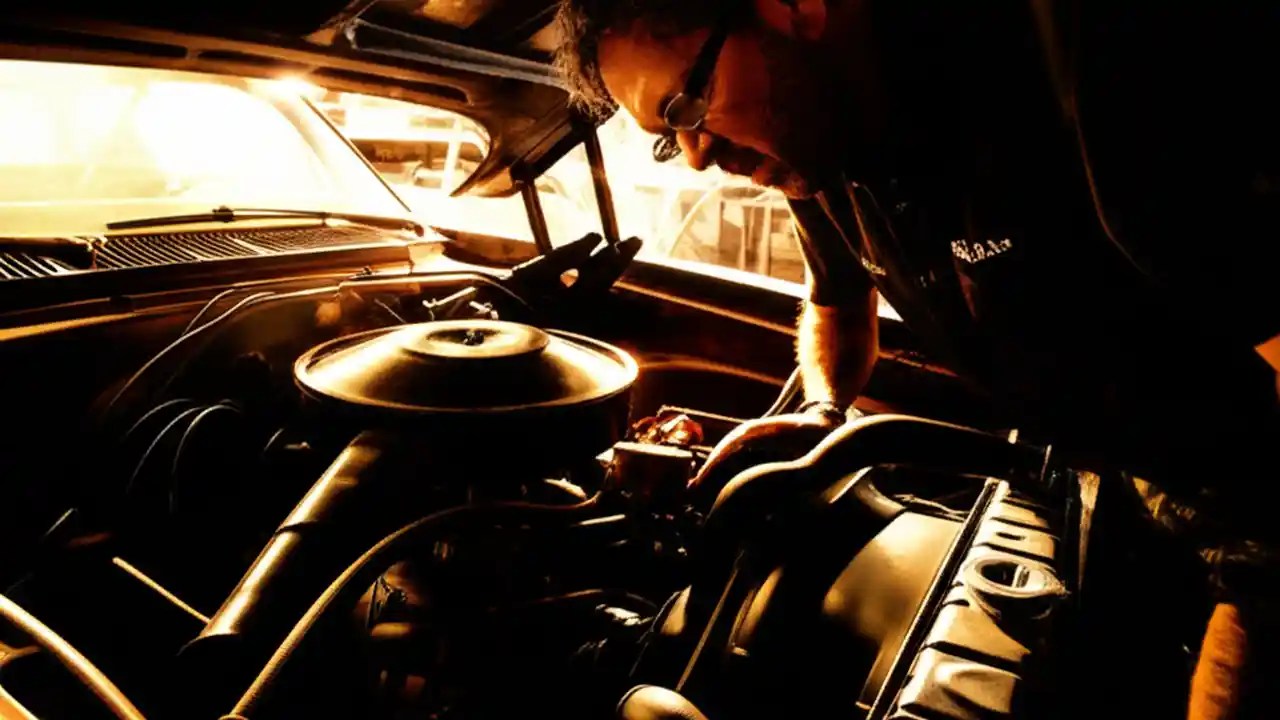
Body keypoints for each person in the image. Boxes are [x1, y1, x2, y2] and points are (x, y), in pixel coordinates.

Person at [554, 2, 1280, 718]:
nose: (697, 156)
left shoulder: (1085, 80)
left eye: (686, 106)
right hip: (1115, 474)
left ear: (795, 8)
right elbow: (836, 294)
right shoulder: (818, 149)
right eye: (666, 138)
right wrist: (824, 412)